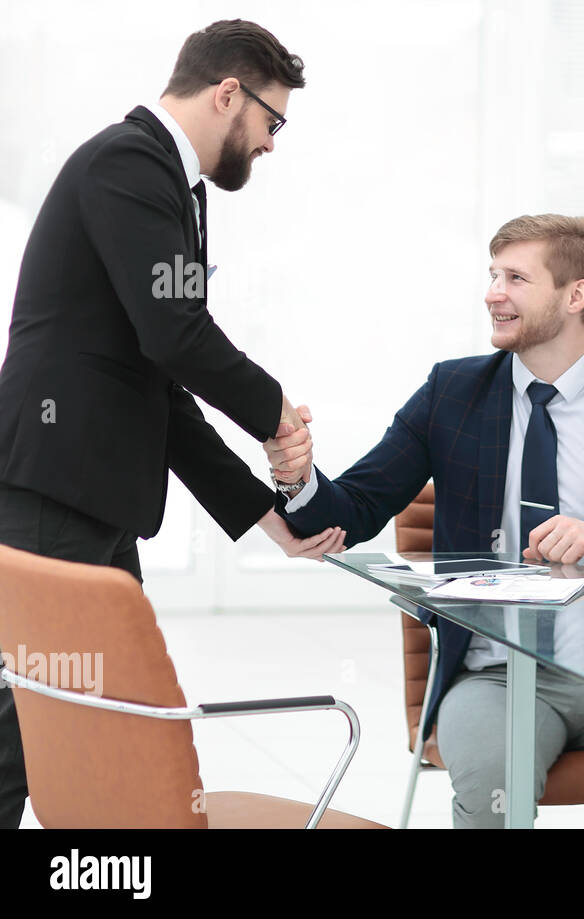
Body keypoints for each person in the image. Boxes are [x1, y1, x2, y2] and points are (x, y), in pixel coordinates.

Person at [264, 214, 584, 828]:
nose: (493, 292)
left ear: (575, 295)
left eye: (515, 277)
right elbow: (354, 509)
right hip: (498, 678)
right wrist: (297, 478)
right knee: (494, 805)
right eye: (493, 275)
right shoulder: (452, 391)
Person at [0, 20, 343, 830]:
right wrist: (274, 415)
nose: (271, 144)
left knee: (108, 722)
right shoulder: (128, 164)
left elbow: (161, 382)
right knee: (25, 726)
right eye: (272, 121)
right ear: (229, 93)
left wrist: (269, 519)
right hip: (53, 489)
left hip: (97, 502)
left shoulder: (172, 187)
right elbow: (177, 337)